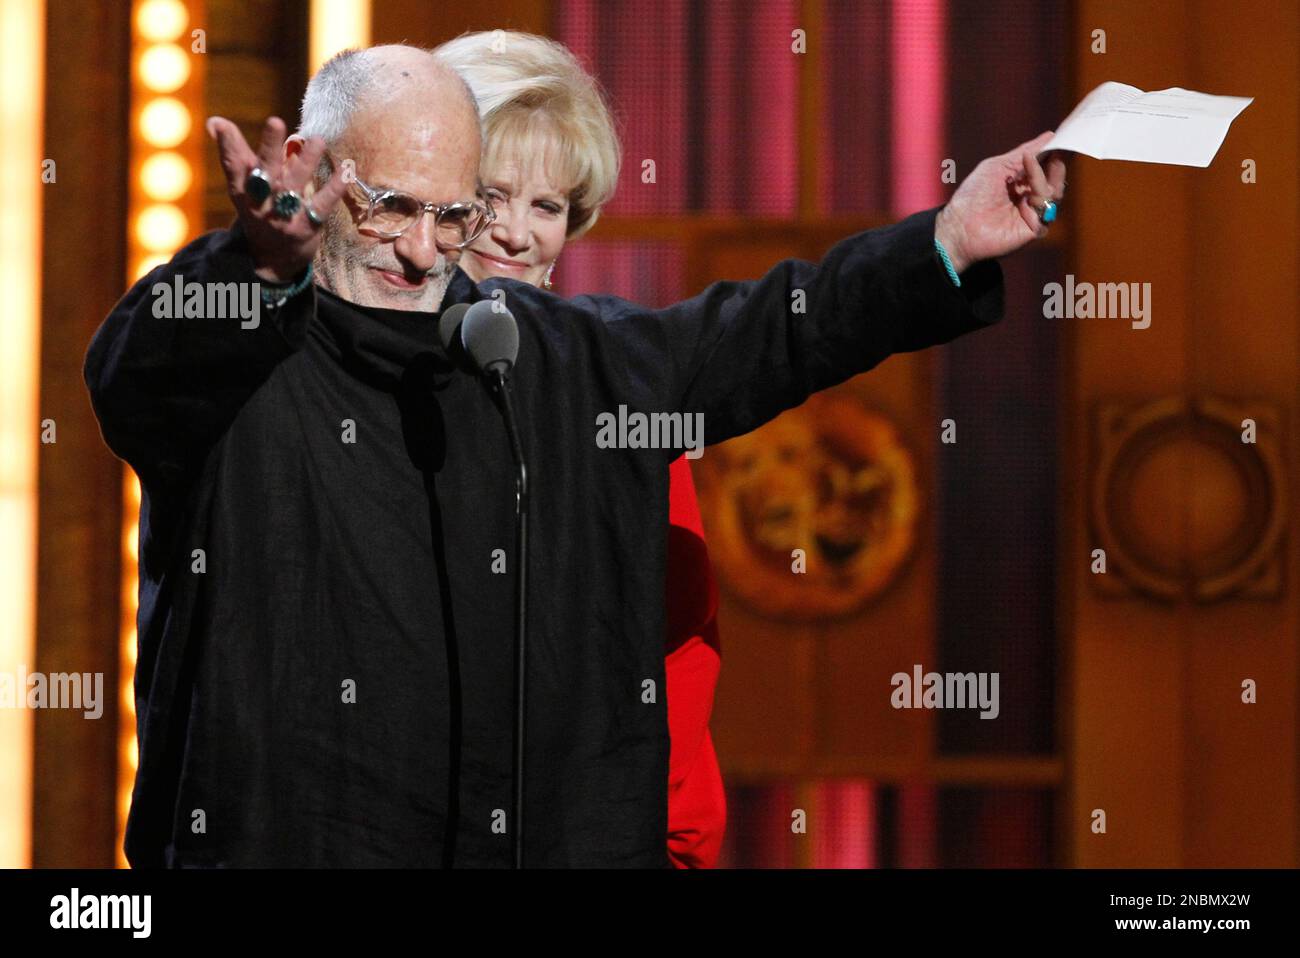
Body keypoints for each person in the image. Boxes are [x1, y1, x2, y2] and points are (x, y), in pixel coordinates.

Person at [85, 43, 1065, 867]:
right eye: (390, 208)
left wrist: (944, 242)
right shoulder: (233, 350)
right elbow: (134, 372)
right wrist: (250, 260)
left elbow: (778, 327)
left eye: (452, 215)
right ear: (313, 172)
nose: (424, 251)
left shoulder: (559, 359)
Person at [434, 29, 726, 869]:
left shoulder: (618, 386)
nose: (518, 235)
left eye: (548, 206)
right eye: (491, 197)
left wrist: (667, 849)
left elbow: (677, 642)